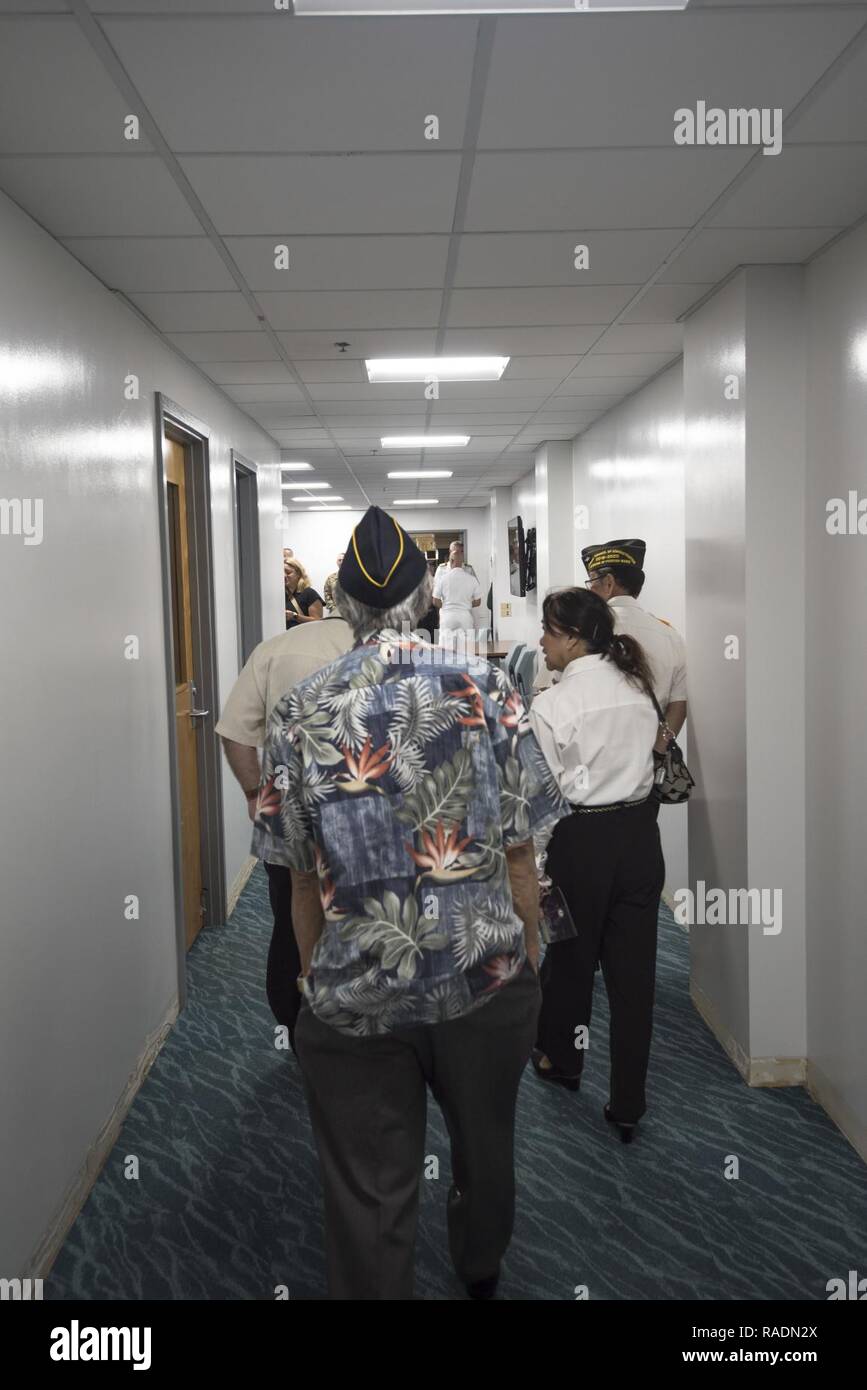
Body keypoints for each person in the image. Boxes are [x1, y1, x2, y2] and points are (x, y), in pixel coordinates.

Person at [252, 505, 567, 1301]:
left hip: (357, 985)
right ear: (427, 596)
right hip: (482, 973)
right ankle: (479, 1265)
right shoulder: (487, 685)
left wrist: (309, 979)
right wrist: (523, 956)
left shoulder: (299, 709)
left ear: (342, 602)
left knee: (366, 1185)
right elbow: (522, 851)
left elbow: (297, 876)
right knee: (486, 1148)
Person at [528, 587, 665, 1144]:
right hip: (639, 839)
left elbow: (543, 799)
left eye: (548, 631)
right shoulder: (638, 686)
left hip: (579, 843)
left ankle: (563, 1061)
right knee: (635, 978)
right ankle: (629, 1101)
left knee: (569, 961)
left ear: (574, 638)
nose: (541, 642)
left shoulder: (552, 704)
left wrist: (536, 868)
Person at [216, 612, 353, 1044]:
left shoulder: (277, 648)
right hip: (366, 814)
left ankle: (295, 1024)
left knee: (290, 914)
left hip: (291, 809)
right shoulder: (392, 650)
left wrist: (254, 793)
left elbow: (235, 733)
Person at [582, 539, 687, 752]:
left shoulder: (583, 632)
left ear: (609, 583)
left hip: (595, 761)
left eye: (592, 581)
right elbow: (679, 704)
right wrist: (657, 753)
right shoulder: (671, 636)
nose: (589, 590)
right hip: (648, 763)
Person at [432, 540, 481, 653]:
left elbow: (475, 594)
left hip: (463, 612)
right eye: (456, 551)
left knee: (466, 647)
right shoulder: (441, 569)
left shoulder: (469, 569)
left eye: (461, 551)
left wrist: (465, 603)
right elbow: (436, 594)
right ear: (450, 552)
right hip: (446, 612)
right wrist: (448, 604)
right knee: (447, 646)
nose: (459, 553)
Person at [284, 557, 323, 629]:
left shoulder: (309, 593)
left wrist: (295, 616)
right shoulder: (280, 595)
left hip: (305, 638)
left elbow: (317, 622)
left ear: (298, 573)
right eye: (282, 573)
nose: (284, 576)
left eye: (288, 572)